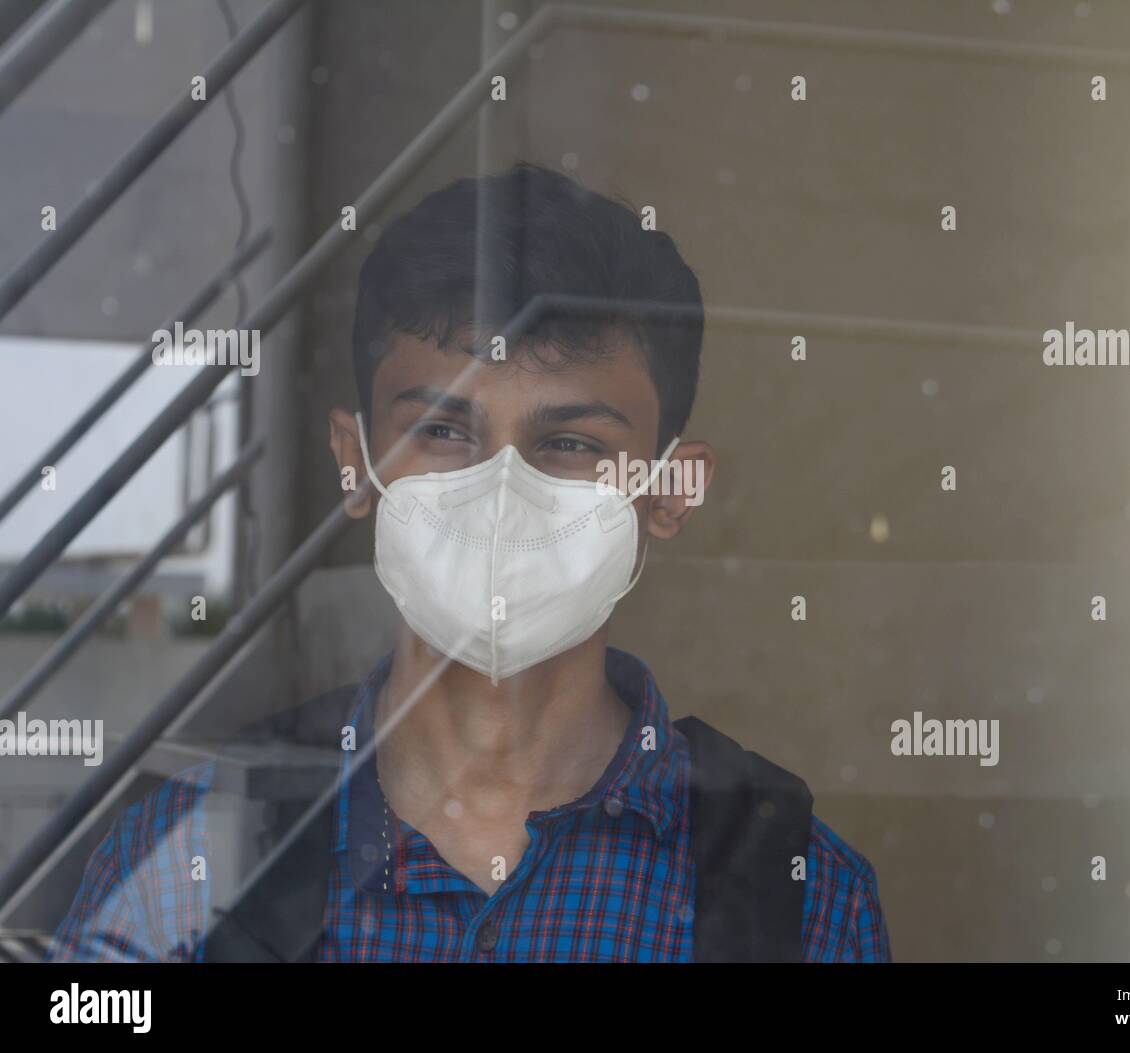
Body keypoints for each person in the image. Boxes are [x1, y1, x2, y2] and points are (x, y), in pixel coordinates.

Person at [47, 162, 891, 962]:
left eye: (568, 442)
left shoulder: (793, 895)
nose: (501, 488)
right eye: (445, 431)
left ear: (670, 489)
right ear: (356, 462)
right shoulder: (192, 859)